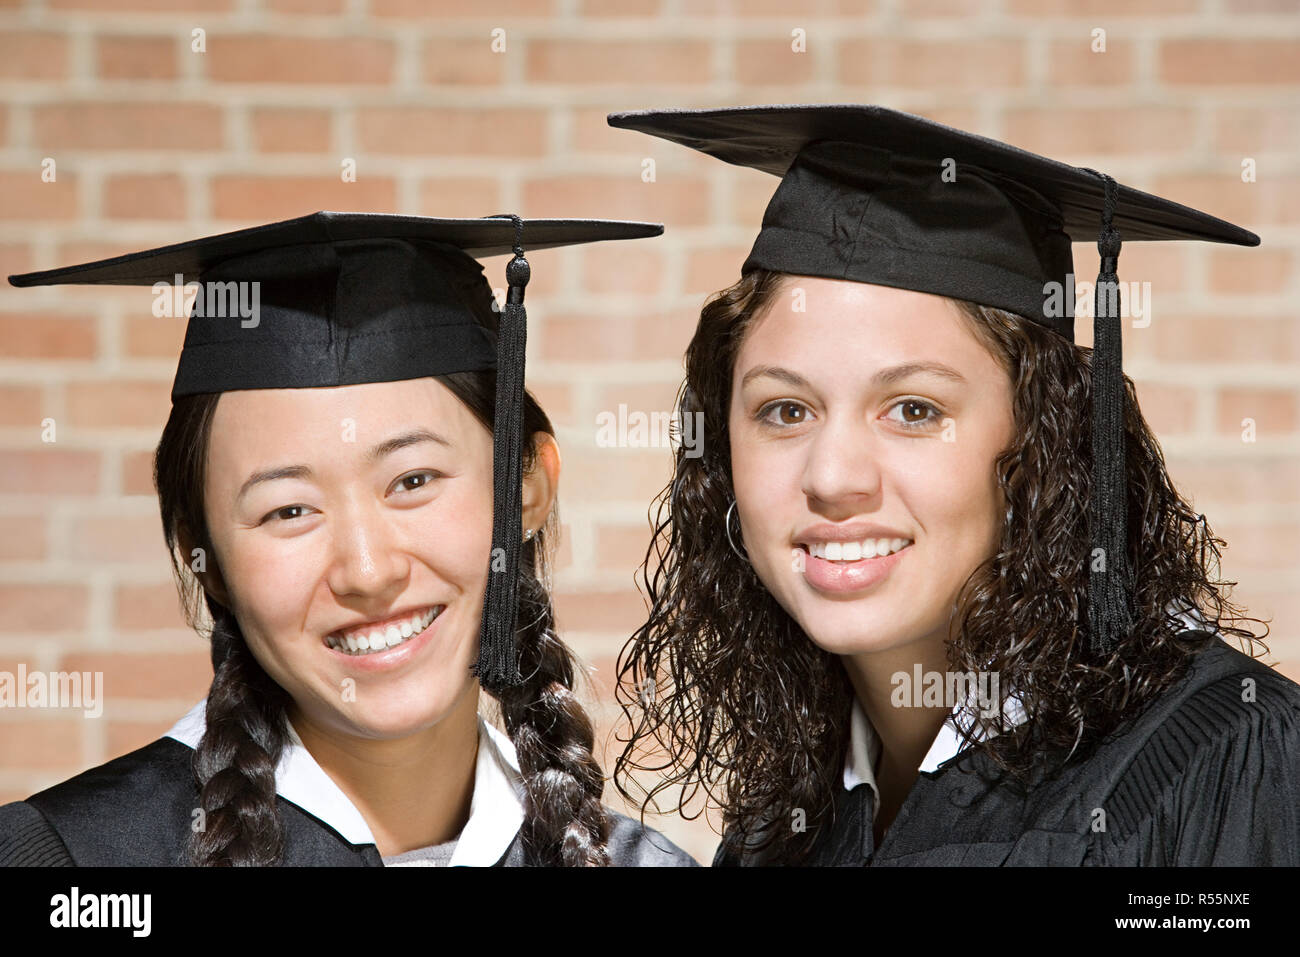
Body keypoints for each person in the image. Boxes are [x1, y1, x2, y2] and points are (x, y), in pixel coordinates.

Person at [608, 105, 1300, 866]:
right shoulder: (781, 831)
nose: (833, 477)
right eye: (786, 409)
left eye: (913, 409)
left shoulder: (1224, 763)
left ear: (1046, 438)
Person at [0, 211, 696, 867]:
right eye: (288, 510)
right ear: (200, 554)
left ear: (528, 489)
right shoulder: (71, 860)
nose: (367, 570)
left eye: (414, 479)